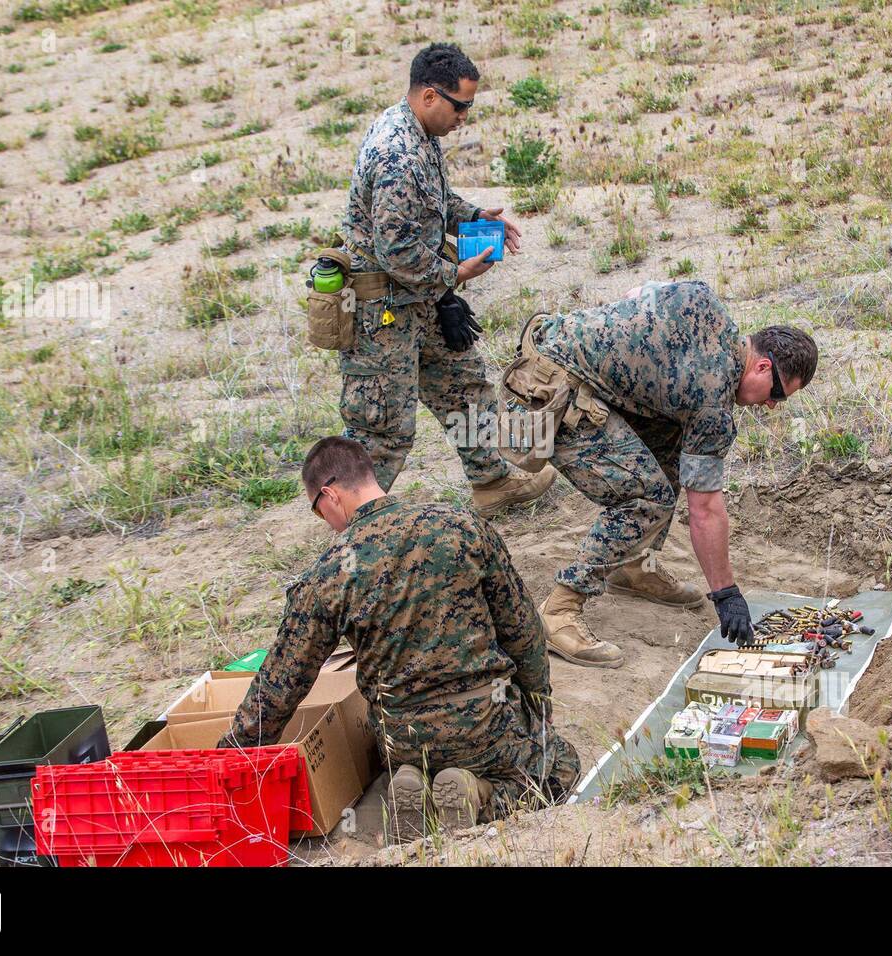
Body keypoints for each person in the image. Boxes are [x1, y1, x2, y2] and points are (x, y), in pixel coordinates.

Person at [218, 437, 580, 837]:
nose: (323, 520)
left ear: (330, 495)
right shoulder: (462, 525)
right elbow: (523, 630)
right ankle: (479, 795)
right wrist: (537, 709)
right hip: (483, 723)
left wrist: (230, 754)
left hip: (398, 735)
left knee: (414, 749)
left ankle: (415, 783)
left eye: (317, 509)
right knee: (561, 766)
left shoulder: (332, 570)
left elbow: (283, 679)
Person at [502, 279, 818, 667]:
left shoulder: (703, 300)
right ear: (763, 366)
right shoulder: (711, 404)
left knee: (670, 440)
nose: (771, 406)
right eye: (777, 394)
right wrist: (726, 592)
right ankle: (560, 610)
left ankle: (636, 566)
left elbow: (635, 294)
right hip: (545, 396)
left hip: (552, 358)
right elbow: (705, 510)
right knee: (645, 498)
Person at [339, 41, 554, 515]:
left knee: (464, 385)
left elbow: (432, 202)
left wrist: (474, 216)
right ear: (430, 96)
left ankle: (492, 483)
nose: (465, 118)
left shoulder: (419, 135)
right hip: (384, 313)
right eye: (461, 106)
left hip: (418, 299)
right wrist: (455, 273)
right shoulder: (397, 154)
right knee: (384, 426)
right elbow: (396, 251)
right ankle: (352, 522)